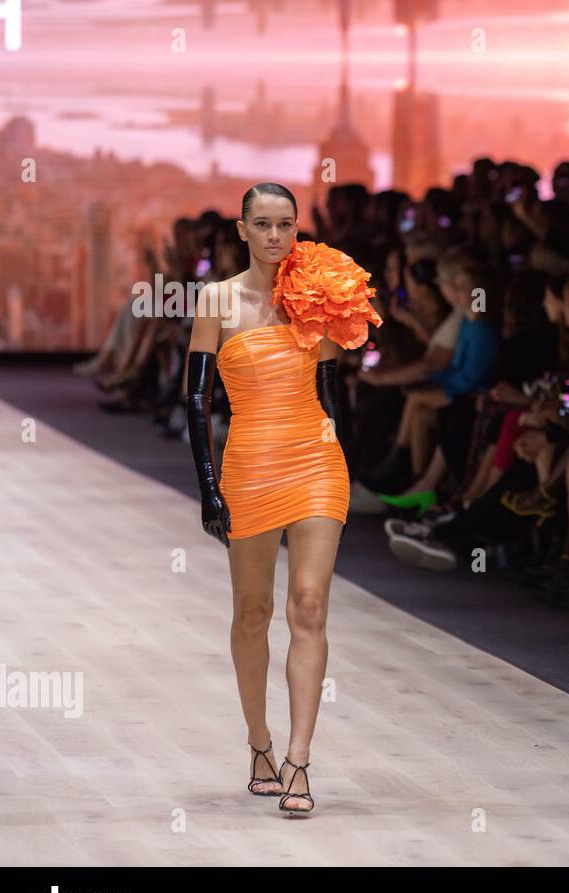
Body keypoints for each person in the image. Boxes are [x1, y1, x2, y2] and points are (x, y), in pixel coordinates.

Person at [185, 182, 381, 814]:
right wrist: (209, 489)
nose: (275, 236)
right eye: (263, 224)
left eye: (286, 224)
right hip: (248, 465)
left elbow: (331, 391)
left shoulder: (317, 293)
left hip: (316, 459)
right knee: (252, 613)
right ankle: (260, 742)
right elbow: (195, 401)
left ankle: (299, 760)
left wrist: (343, 459)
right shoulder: (215, 300)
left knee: (309, 604)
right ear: (241, 230)